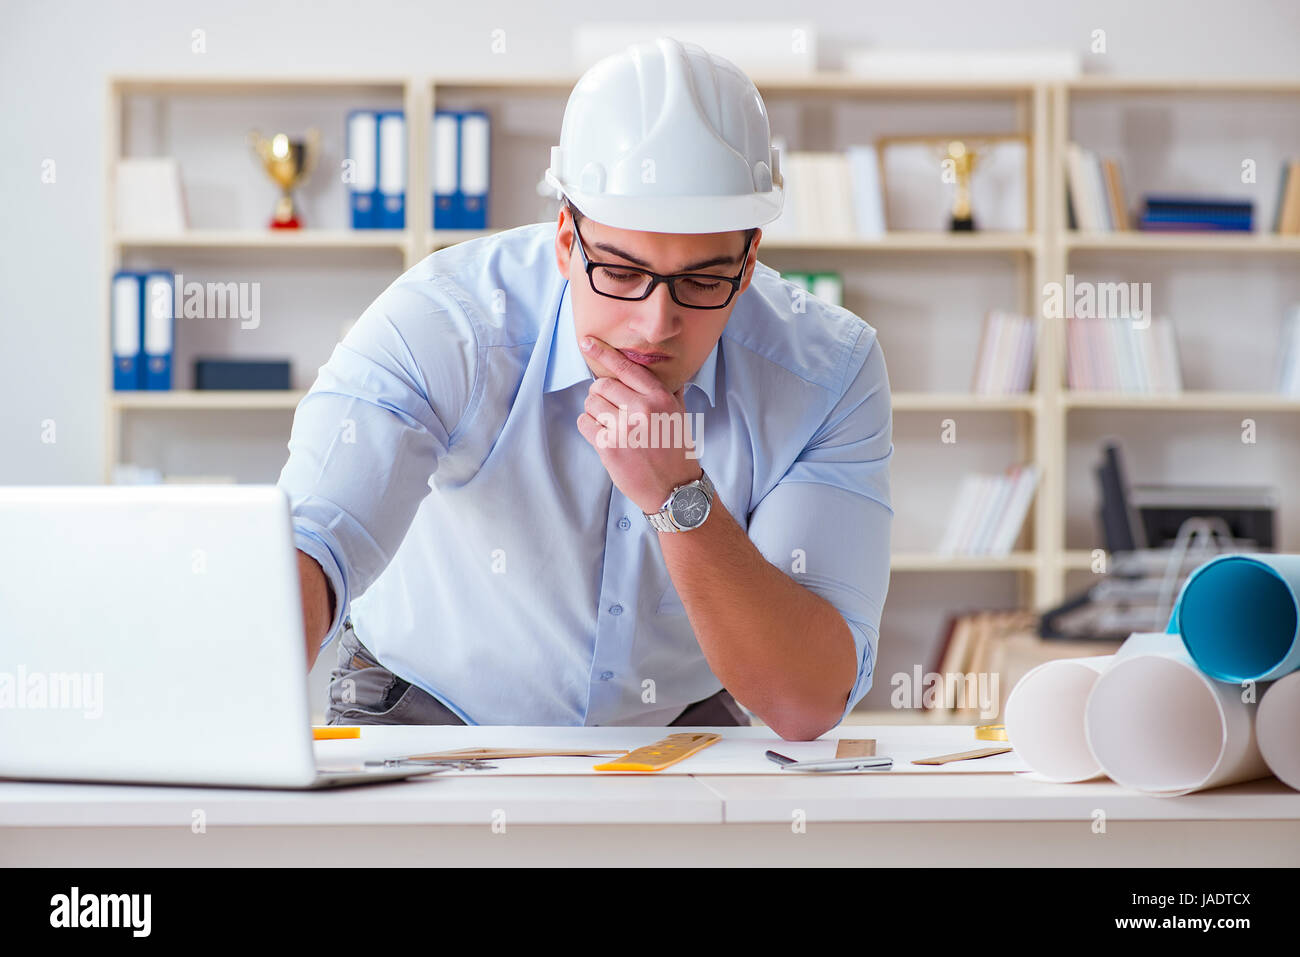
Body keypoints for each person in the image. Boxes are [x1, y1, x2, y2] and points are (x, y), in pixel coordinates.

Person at [278, 35, 893, 740]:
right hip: (424, 703)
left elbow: (807, 699)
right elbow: (310, 546)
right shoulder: (445, 324)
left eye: (701, 281)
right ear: (566, 237)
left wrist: (678, 495)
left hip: (679, 725)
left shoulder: (827, 371)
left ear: (750, 259)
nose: (655, 323)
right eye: (623, 272)